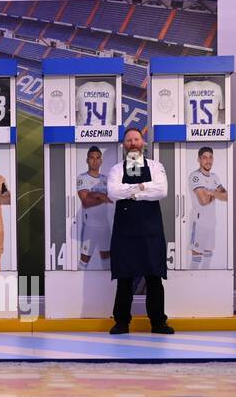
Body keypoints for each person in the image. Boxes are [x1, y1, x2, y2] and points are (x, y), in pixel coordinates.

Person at [107, 127, 172, 334]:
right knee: (124, 278)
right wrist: (143, 188)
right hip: (125, 231)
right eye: (128, 140)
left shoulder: (155, 166)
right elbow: (113, 192)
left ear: (143, 143)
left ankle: (158, 322)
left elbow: (161, 191)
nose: (132, 143)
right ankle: (122, 322)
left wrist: (133, 192)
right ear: (124, 145)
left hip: (150, 230)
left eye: (136, 139)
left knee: (154, 277)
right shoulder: (116, 169)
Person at [188, 146, 227, 269]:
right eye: (204, 158)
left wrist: (210, 192)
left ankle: (204, 284)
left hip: (212, 222)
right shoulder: (195, 176)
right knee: (197, 257)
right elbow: (203, 200)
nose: (208, 161)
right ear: (199, 159)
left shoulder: (215, 177)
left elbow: (226, 196)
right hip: (198, 223)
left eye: (210, 157)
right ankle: (192, 282)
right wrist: (216, 193)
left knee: (208, 257)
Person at [76, 146, 112, 269]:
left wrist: (95, 194)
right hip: (90, 226)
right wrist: (102, 196)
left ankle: (105, 287)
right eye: (92, 158)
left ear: (101, 161)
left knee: (107, 260)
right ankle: (76, 286)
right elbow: (86, 201)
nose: (95, 161)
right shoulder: (82, 178)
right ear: (87, 160)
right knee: (84, 261)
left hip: (105, 226)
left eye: (97, 158)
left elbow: (111, 199)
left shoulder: (106, 179)